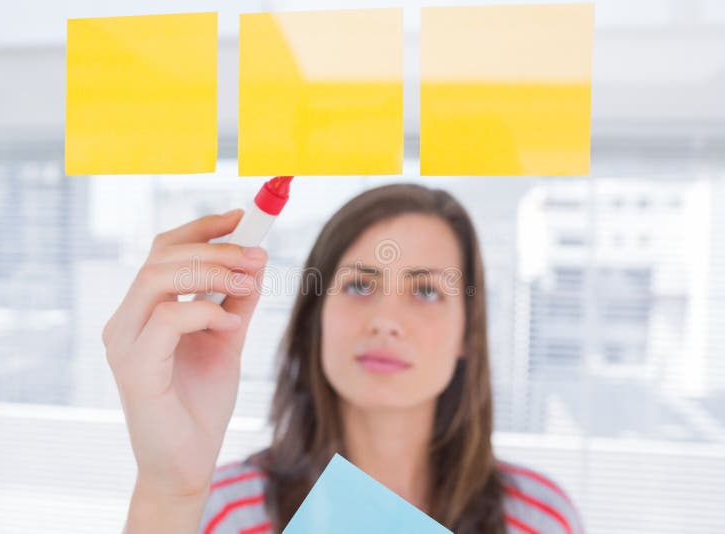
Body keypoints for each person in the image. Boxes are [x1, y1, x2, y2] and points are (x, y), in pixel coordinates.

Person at [103, 183, 584, 533]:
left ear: (468, 335)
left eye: (427, 292)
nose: (385, 320)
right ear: (316, 318)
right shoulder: (220, 513)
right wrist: (170, 490)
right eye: (359, 285)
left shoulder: (540, 518)